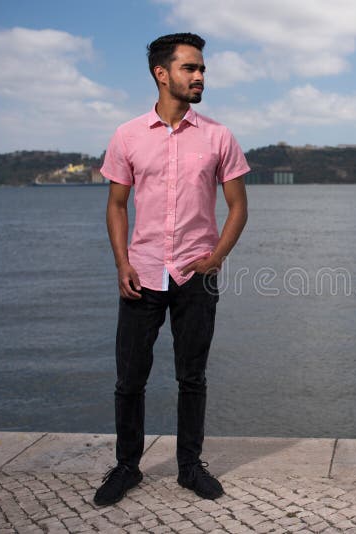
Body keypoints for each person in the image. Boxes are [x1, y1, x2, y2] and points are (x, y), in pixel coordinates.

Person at [94, 32, 249, 506]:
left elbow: (238, 207)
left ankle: (189, 467)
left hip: (196, 274)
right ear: (162, 74)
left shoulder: (219, 135)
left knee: (193, 376)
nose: (200, 75)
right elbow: (117, 205)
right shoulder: (127, 136)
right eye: (190, 68)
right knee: (130, 378)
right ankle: (126, 467)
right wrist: (122, 262)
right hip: (141, 273)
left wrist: (216, 258)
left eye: (202, 68)